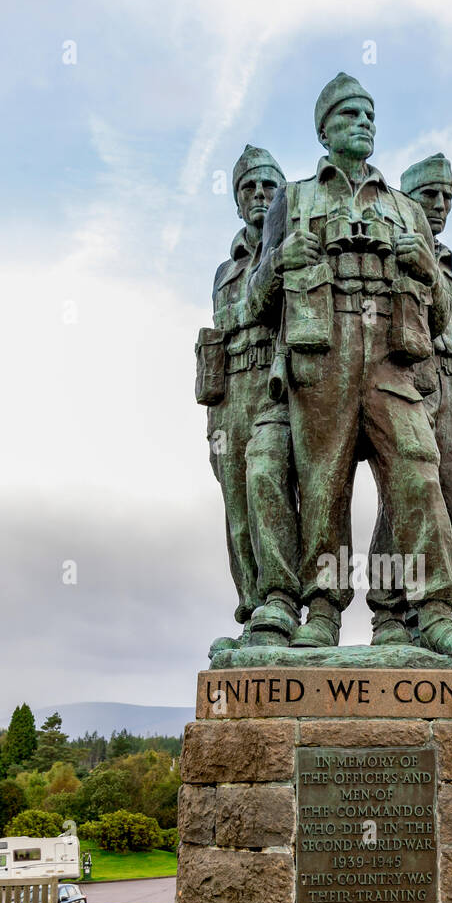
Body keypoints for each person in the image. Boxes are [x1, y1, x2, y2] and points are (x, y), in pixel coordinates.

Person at [248, 74, 452, 658]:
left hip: (391, 361)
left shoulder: (405, 210)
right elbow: (257, 303)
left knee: (416, 472)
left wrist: (426, 270)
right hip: (322, 358)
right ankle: (323, 611)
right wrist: (280, 261)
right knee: (322, 484)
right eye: (350, 115)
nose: (364, 124)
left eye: (370, 116)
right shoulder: (295, 198)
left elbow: (438, 323)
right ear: (324, 129)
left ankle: (432, 609)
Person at [367, 152, 452, 643]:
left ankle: (422, 615)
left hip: (451, 408)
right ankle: (390, 614)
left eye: (447, 197)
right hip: (407, 390)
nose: (439, 205)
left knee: (448, 507)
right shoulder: (388, 257)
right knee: (403, 503)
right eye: (429, 195)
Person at [199, 145, 301, 653]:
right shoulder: (225, 268)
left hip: (275, 382)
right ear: (238, 201)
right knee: (236, 509)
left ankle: (284, 602)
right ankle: (252, 614)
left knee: (269, 485)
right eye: (249, 188)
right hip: (228, 393)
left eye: (267, 186)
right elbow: (227, 320)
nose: (259, 195)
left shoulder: (292, 245)